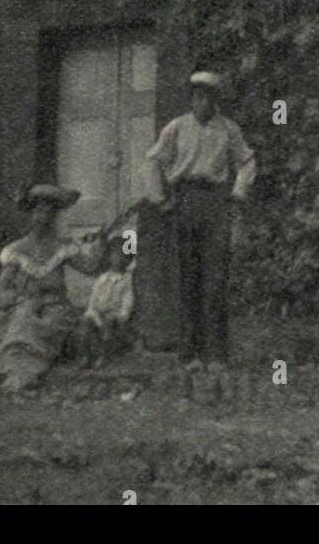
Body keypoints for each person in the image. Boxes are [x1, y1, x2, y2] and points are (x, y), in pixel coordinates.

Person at [144, 71, 255, 368]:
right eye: (196, 97)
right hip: (185, 201)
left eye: (207, 97)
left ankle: (216, 354)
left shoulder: (228, 129)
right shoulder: (177, 128)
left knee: (215, 278)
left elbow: (246, 161)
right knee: (188, 277)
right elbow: (153, 161)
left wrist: (238, 193)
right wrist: (161, 200)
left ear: (216, 100)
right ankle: (190, 355)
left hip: (216, 203)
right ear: (191, 99)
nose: (201, 103)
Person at [0, 183, 104, 394]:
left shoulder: (63, 246)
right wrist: (11, 299)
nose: (43, 218)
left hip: (56, 308)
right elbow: (4, 286)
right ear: (31, 215)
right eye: (39, 212)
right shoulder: (17, 249)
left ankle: (18, 378)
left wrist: (99, 245)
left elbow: (90, 268)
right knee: (19, 326)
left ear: (54, 217)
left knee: (40, 327)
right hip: (25, 305)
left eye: (49, 213)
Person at [74, 228, 137, 367]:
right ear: (108, 257)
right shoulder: (102, 279)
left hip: (114, 315)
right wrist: (93, 314)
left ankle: (103, 355)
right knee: (85, 322)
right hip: (98, 312)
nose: (119, 259)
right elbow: (93, 301)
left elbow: (128, 299)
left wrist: (121, 315)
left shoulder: (127, 279)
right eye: (115, 255)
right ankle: (84, 355)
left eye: (124, 256)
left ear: (129, 259)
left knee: (108, 322)